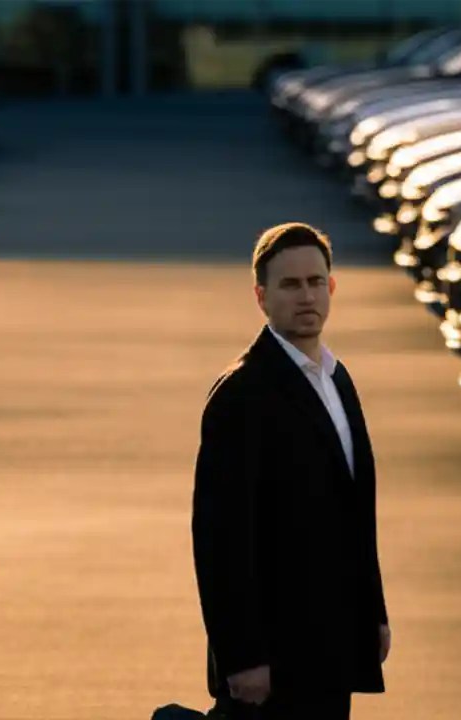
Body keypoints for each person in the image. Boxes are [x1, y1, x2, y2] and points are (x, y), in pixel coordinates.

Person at [192, 222, 390, 720]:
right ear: (261, 296)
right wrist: (242, 656)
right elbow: (220, 539)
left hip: (333, 644)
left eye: (316, 282)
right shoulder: (241, 394)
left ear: (332, 287)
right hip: (272, 659)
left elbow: (355, 514)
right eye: (290, 285)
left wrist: (374, 614)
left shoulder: (338, 380)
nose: (307, 296)